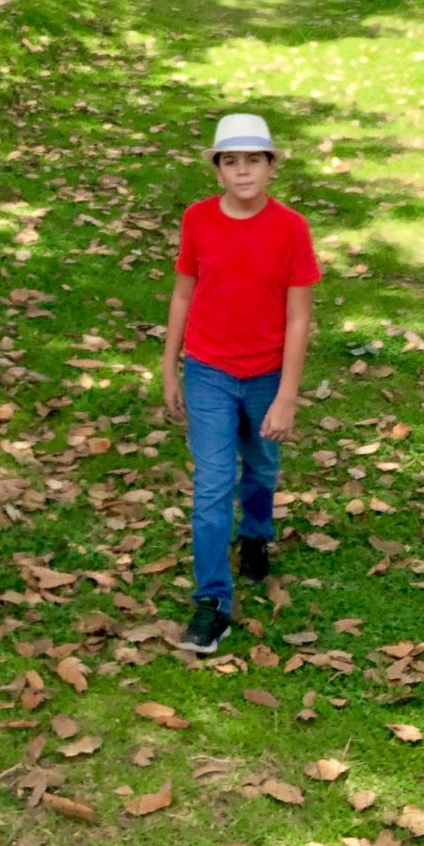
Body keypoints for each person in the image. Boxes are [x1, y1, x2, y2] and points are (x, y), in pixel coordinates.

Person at [162, 113, 319, 655]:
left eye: (254, 159)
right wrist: (169, 365)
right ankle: (212, 604)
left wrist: (286, 395)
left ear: (271, 166)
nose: (243, 171)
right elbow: (184, 293)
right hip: (208, 370)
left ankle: (255, 535)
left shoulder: (291, 228)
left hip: (267, 374)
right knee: (210, 485)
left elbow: (298, 316)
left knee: (262, 466)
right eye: (231, 161)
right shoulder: (198, 220)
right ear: (218, 169)